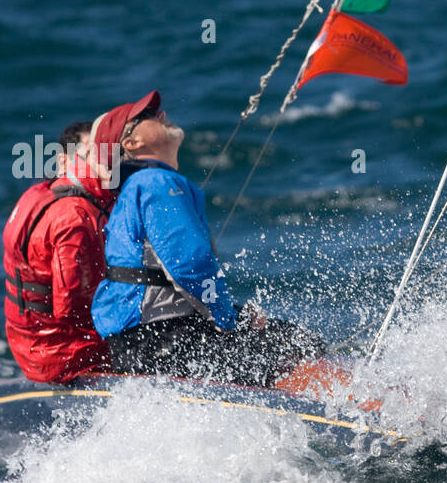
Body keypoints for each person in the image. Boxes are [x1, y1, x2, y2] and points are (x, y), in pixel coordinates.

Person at [89, 91, 323, 385]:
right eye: (148, 116)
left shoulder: (138, 186)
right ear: (132, 144)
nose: (161, 115)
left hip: (143, 343)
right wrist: (230, 320)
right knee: (298, 343)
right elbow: (190, 264)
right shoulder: (155, 182)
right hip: (162, 341)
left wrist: (237, 316)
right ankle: (347, 408)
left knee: (279, 336)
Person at [3, 119, 115, 383]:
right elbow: (72, 308)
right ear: (65, 161)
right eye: (92, 155)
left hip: (29, 343)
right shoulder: (73, 215)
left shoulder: (38, 193)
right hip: (67, 354)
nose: (104, 164)